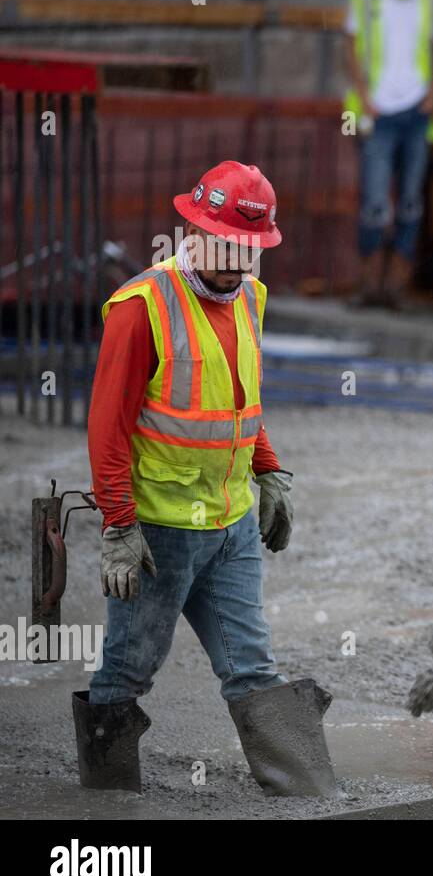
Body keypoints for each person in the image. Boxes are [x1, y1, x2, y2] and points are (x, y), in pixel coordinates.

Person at [81, 161, 339, 797]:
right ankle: (106, 803)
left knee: (252, 666)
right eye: (225, 243)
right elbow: (106, 429)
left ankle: (310, 797)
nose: (236, 259)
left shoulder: (251, 297)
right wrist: (118, 523)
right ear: (191, 230)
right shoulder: (141, 308)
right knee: (128, 668)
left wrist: (269, 470)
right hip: (160, 533)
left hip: (230, 524)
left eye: (249, 247)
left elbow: (238, 402)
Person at [344, 0, 433, 307]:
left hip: (416, 111)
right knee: (375, 202)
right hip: (379, 112)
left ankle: (396, 287)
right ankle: (369, 286)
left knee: (410, 202)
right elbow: (349, 48)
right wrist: (364, 98)